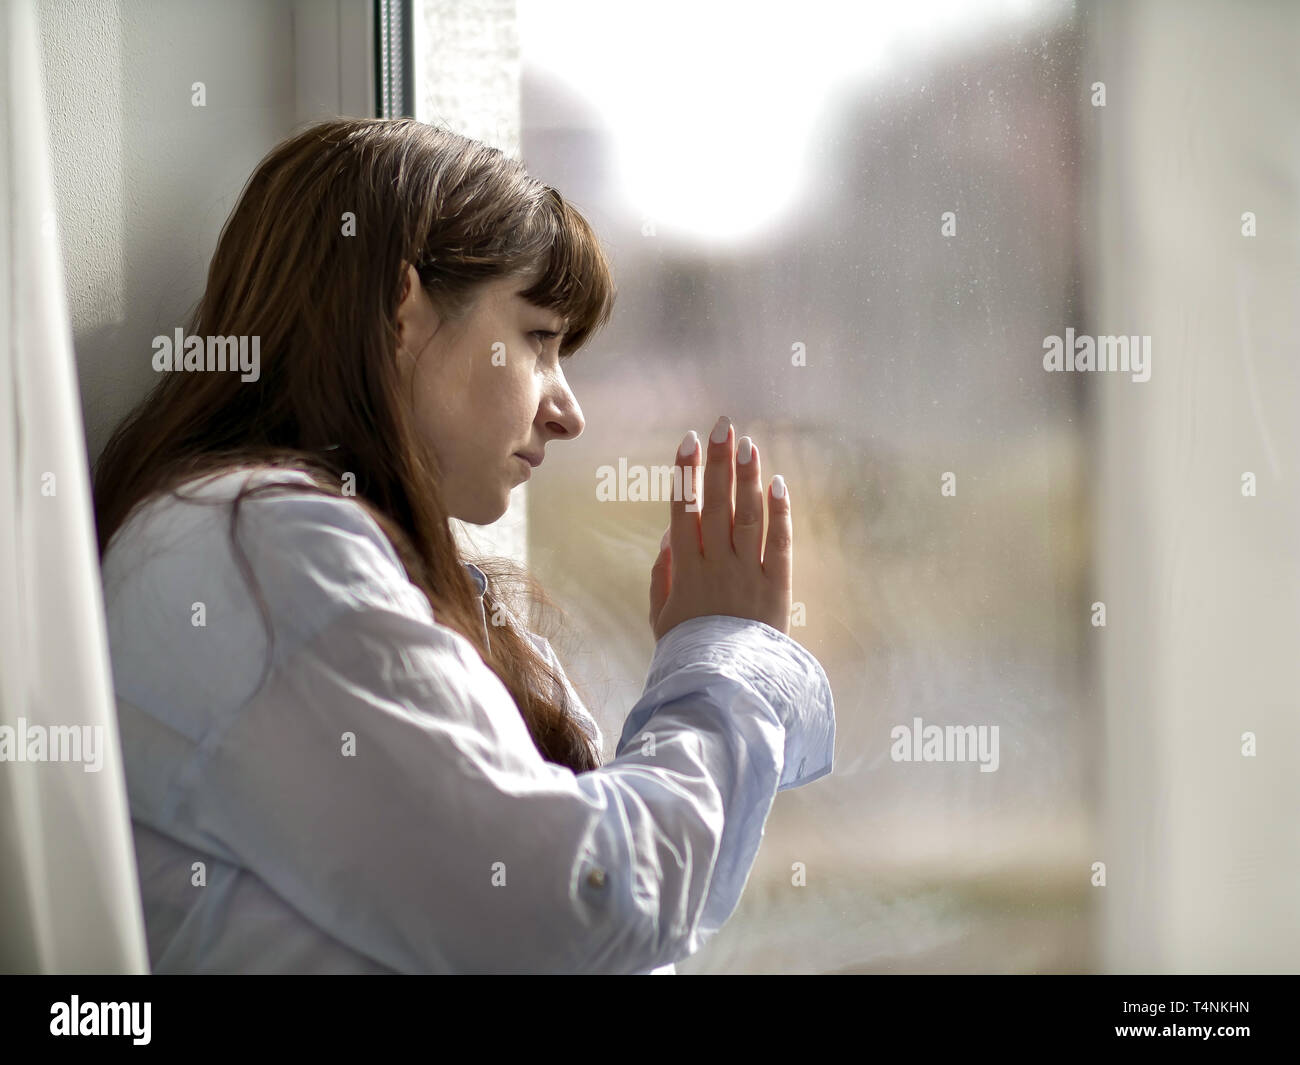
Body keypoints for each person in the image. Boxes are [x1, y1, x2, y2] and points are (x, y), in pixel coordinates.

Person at [93, 117, 835, 974]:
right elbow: (569, 906)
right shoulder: (263, 547)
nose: (569, 411)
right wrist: (722, 668)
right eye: (538, 339)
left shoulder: (298, 551)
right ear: (400, 310)